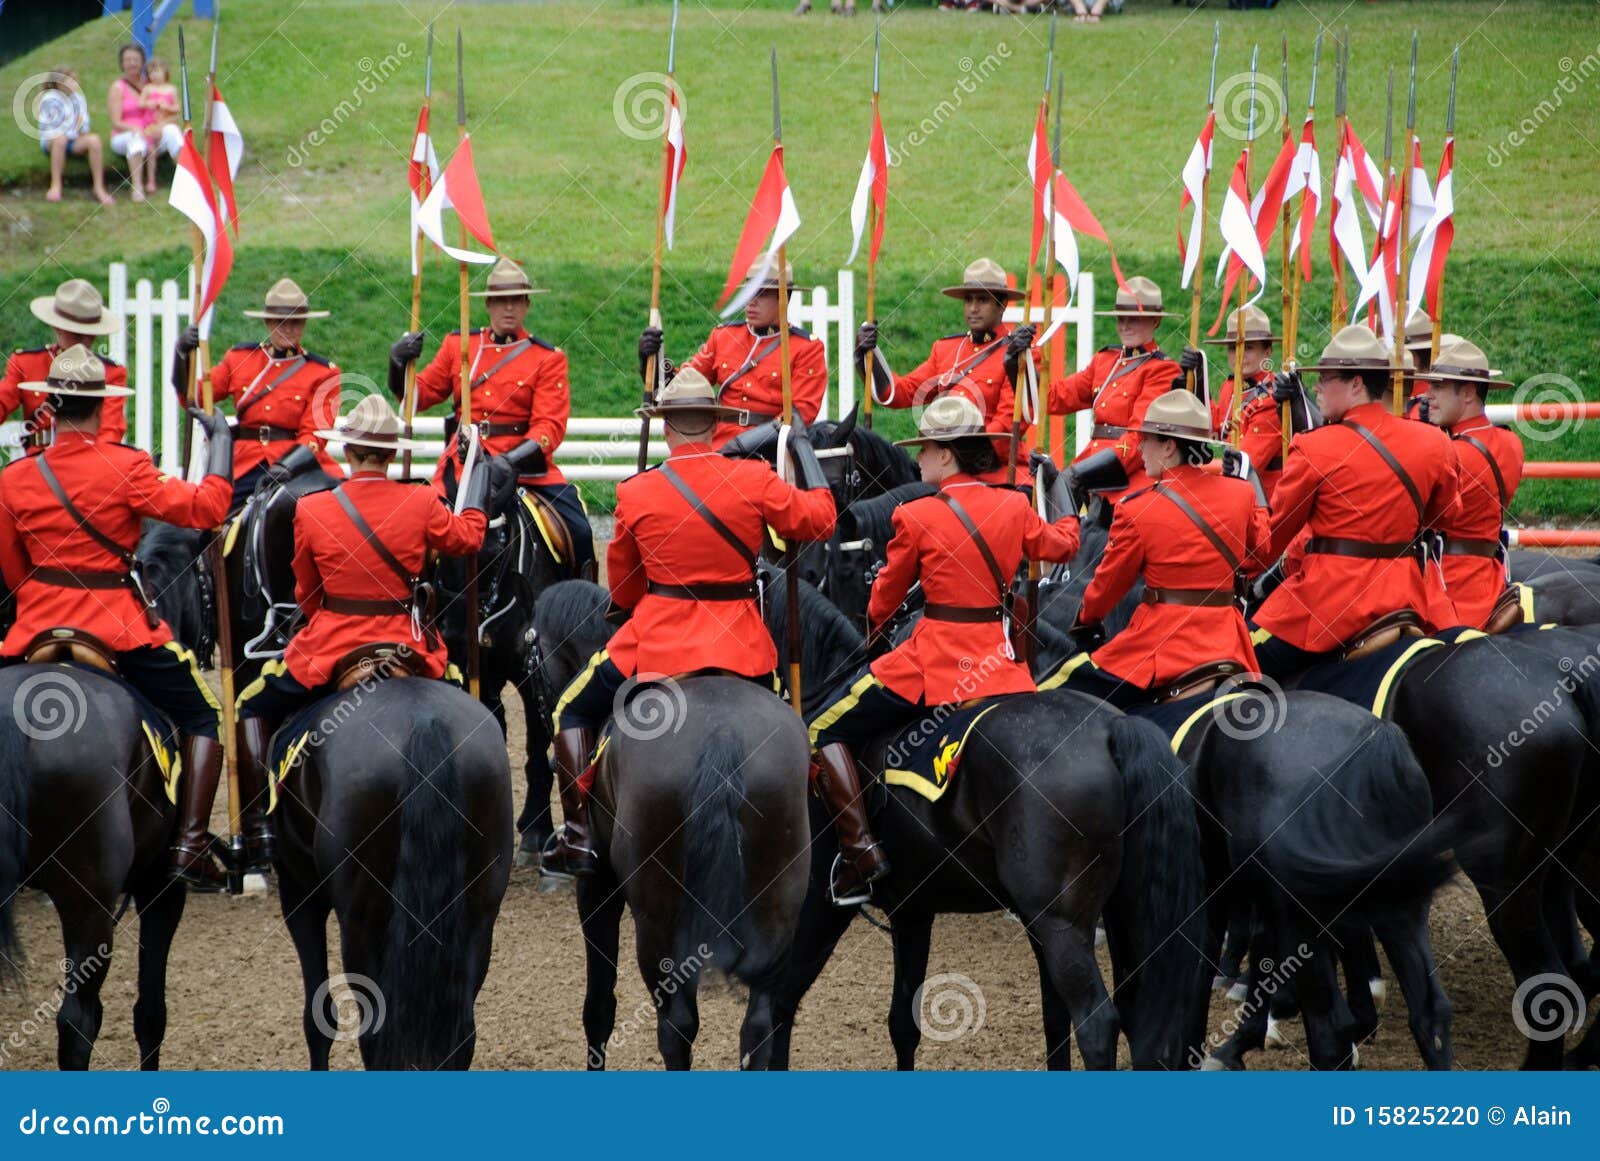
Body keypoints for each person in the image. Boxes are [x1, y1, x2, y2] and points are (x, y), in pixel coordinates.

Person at [544, 368, 837, 878]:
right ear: (714, 425)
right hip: (743, 644)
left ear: (666, 427)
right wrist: (803, 449)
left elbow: (627, 587)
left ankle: (579, 835)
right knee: (799, 726)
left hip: (659, 644)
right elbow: (821, 519)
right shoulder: (754, 478)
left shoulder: (637, 491)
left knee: (571, 709)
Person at [806, 395, 1080, 905]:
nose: (919, 460)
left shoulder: (915, 515)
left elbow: (884, 602)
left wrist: (875, 630)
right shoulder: (1016, 504)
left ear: (949, 455)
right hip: (1001, 665)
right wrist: (1060, 496)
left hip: (934, 663)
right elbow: (1063, 544)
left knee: (821, 727)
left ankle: (861, 851)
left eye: (927, 449)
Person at [0, 346, 234, 889]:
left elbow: (13, 572)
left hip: (34, 630)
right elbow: (207, 510)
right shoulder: (127, 467)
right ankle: (190, 845)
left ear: (49, 408)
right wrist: (220, 447)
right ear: (103, 408)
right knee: (202, 716)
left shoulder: (14, 478)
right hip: (114, 628)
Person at [232, 395, 494, 868]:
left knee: (251, 704)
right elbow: (468, 538)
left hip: (332, 646)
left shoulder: (312, 509)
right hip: (406, 647)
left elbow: (307, 594)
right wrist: (475, 495)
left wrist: (327, 620)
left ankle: (260, 829)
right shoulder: (420, 500)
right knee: (459, 705)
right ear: (393, 453)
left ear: (347, 452)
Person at [1249, 325, 1459, 679]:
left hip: (1329, 605)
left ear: (1356, 384)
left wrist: (1251, 501)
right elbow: (1446, 516)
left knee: (1242, 660)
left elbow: (1269, 544)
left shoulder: (1314, 446)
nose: (1316, 387)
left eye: (1325, 378)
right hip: (1405, 597)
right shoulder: (1434, 442)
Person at [1043, 391, 1271, 707]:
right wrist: (1257, 494)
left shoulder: (1137, 509)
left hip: (1164, 646)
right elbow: (1261, 554)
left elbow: (1109, 585)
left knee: (1069, 696)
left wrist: (1085, 619)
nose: (1139, 448)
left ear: (1168, 446)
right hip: (1229, 642)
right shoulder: (1240, 493)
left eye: (1147, 440)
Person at [388, 257, 596, 580]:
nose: (508, 308)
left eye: (516, 300)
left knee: (579, 533)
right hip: (462, 467)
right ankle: (415, 607)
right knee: (410, 532)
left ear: (527, 304)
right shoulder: (459, 345)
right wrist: (397, 366)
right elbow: (418, 398)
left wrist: (509, 462)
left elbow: (549, 426)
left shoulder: (547, 358)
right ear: (487, 304)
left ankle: (583, 612)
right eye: (500, 301)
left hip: (525, 471)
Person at [853, 257, 1041, 485]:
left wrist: (958, 455)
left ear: (1001, 304)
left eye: (982, 300)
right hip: (945, 468)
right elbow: (901, 392)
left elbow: (1007, 425)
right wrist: (866, 354)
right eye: (968, 300)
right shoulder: (946, 349)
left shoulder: (1017, 352)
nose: (973, 308)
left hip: (994, 470)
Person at [172, 278, 342, 511]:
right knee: (212, 517)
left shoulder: (323, 373)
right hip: (245, 463)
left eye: (296, 322)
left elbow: (315, 434)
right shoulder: (240, 358)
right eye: (281, 322)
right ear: (268, 322)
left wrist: (285, 467)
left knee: (334, 513)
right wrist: (181, 356)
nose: (289, 328)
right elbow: (196, 397)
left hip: (296, 464)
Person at [636, 260, 828, 449]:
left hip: (770, 450)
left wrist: (744, 445)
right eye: (748, 292)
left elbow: (800, 414)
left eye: (761, 294)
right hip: (718, 445)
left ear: (784, 298)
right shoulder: (724, 336)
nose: (751, 301)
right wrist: (654, 360)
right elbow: (680, 388)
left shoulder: (806, 348)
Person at [1418, 337, 1524, 631]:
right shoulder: (1511, 442)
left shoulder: (1449, 454)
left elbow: (1416, 521)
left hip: (1447, 587)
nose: (1427, 396)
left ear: (1467, 392)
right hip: (1491, 581)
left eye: (1437, 387)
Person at [1045, 275, 1182, 500]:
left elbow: (1139, 438)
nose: (1125, 326)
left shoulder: (1162, 370)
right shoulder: (1105, 361)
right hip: (1091, 465)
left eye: (1134, 319)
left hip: (1128, 475)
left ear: (1155, 320)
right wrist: (1025, 361)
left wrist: (1086, 472)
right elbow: (1055, 398)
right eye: (1121, 318)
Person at [1196, 304, 1316, 502]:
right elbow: (1218, 430)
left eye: (1248, 348)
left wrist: (1190, 469)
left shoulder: (1273, 399)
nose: (1239, 356)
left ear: (1267, 351)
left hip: (1265, 499)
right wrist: (1199, 383)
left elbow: (1244, 464)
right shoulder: (1230, 387)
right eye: (1233, 348)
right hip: (1231, 488)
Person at [2, 279, 128, 447]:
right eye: (76, 334)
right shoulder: (26, 363)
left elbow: (110, 432)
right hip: (39, 463)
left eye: (91, 334)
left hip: (87, 461)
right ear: (57, 328)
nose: (84, 341)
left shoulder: (110, 372)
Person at [106, 42, 181, 202]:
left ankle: (186, 175)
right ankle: (137, 186)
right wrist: (135, 128)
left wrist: (163, 123)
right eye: (128, 60)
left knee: (172, 131)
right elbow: (116, 122)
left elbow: (172, 111)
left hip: (153, 132)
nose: (132, 63)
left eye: (136, 59)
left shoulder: (152, 84)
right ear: (122, 63)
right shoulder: (118, 87)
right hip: (125, 134)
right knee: (136, 139)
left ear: (142, 62)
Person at [36, 67, 114, 206]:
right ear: (59, 83)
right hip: (53, 141)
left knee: (94, 141)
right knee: (60, 139)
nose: (75, 83)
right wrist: (70, 129)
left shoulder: (79, 98)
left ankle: (99, 187)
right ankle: (56, 185)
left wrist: (81, 129)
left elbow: (84, 124)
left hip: (73, 139)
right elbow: (50, 129)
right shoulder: (49, 99)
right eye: (70, 80)